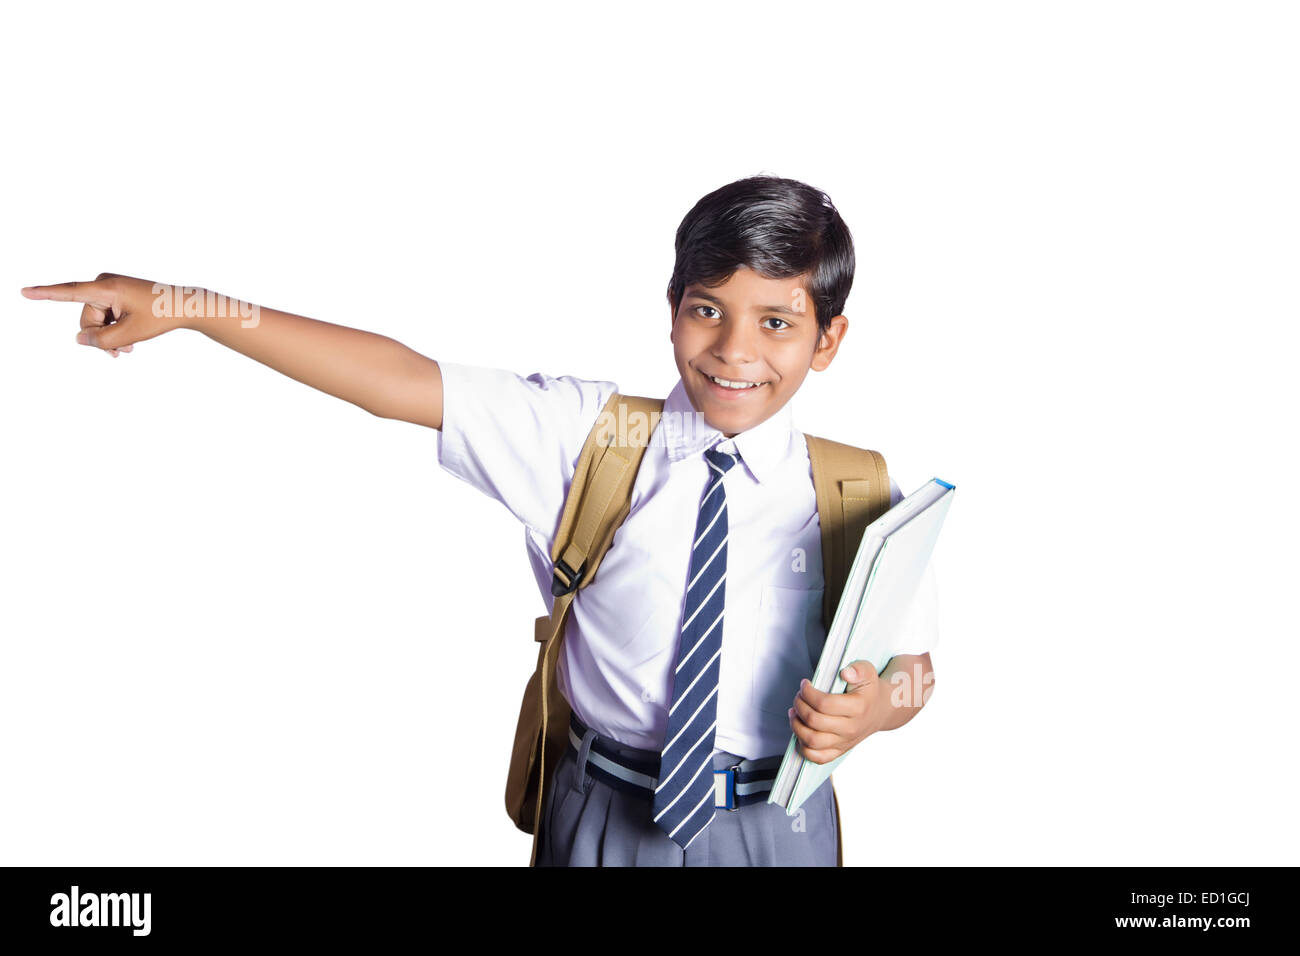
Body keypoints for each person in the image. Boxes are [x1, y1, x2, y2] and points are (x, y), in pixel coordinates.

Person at [21, 174, 939, 866]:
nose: (735, 350)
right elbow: (396, 380)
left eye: (777, 323)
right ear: (671, 312)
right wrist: (184, 307)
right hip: (604, 813)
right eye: (709, 310)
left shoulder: (861, 489)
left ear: (829, 339)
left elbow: (917, 670)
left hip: (778, 824)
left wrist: (874, 712)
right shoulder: (589, 438)